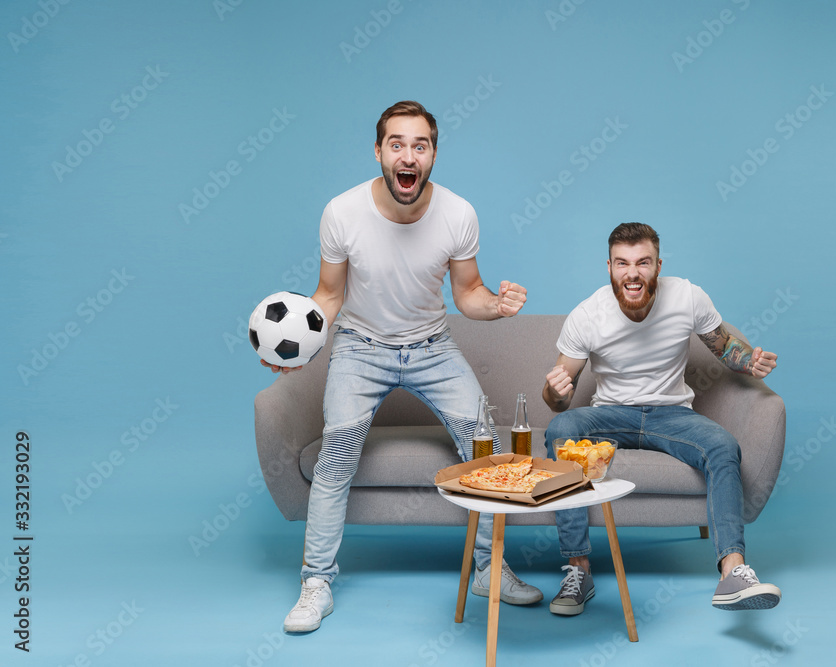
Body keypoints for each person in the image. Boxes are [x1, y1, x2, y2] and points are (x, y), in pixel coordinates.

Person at [262, 101, 542, 633]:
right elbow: (328, 295)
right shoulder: (341, 212)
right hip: (359, 348)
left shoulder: (458, 214)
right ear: (379, 152)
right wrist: (295, 347)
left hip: (433, 347)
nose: (408, 156)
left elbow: (468, 294)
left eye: (420, 145)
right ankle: (316, 582)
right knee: (335, 455)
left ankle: (489, 569)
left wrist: (497, 305)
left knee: (488, 451)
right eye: (397, 144)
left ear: (432, 155)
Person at [541, 222, 781, 616]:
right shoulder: (587, 315)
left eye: (643, 262)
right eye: (622, 263)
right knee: (561, 430)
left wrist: (748, 361)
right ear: (609, 267)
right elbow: (556, 401)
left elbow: (726, 347)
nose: (632, 273)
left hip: (672, 415)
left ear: (658, 265)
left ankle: (733, 573)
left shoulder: (687, 296)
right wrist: (557, 390)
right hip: (611, 415)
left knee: (723, 446)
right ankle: (578, 569)